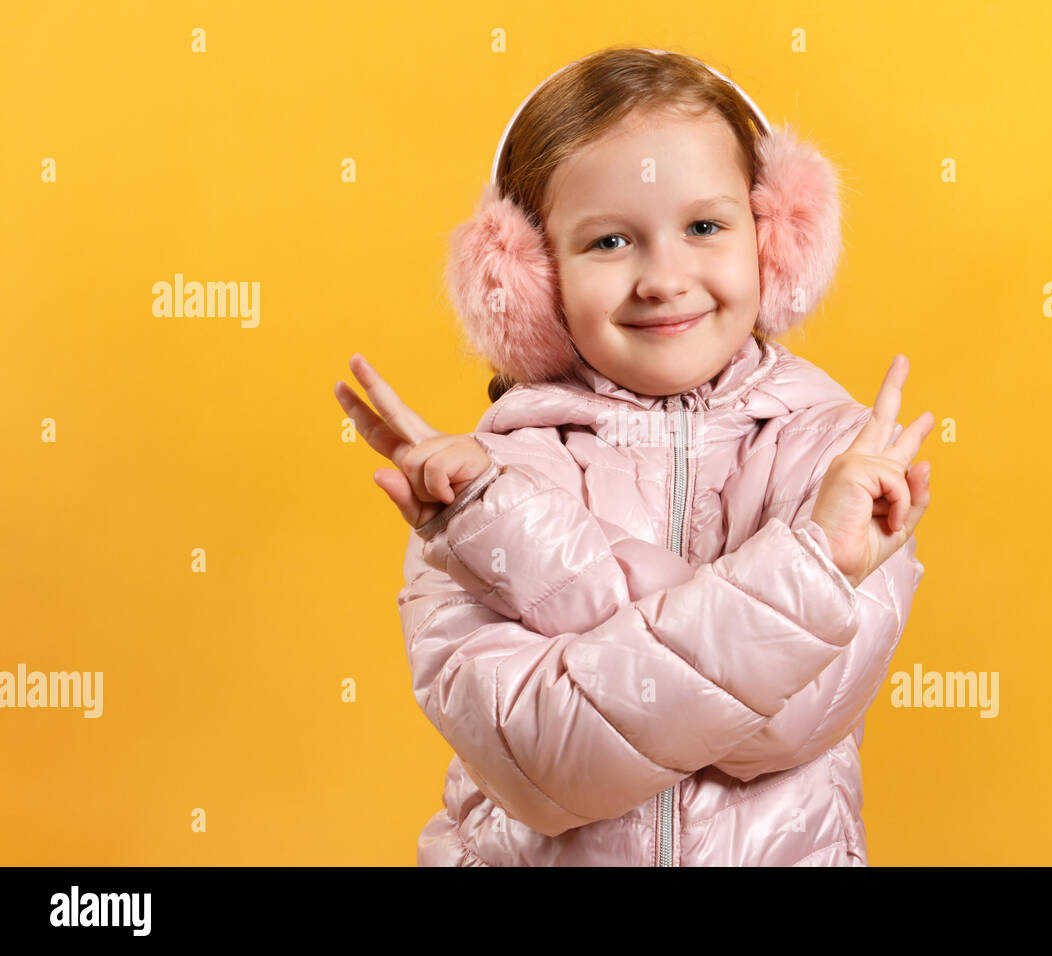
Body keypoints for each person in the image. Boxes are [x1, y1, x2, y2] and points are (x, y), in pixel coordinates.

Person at [334, 46, 934, 866]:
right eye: (610, 241)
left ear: (774, 241)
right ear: (531, 280)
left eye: (705, 227)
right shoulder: (476, 485)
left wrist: (522, 546)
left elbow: (786, 722)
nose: (662, 277)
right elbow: (544, 763)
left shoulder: (842, 456)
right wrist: (807, 566)